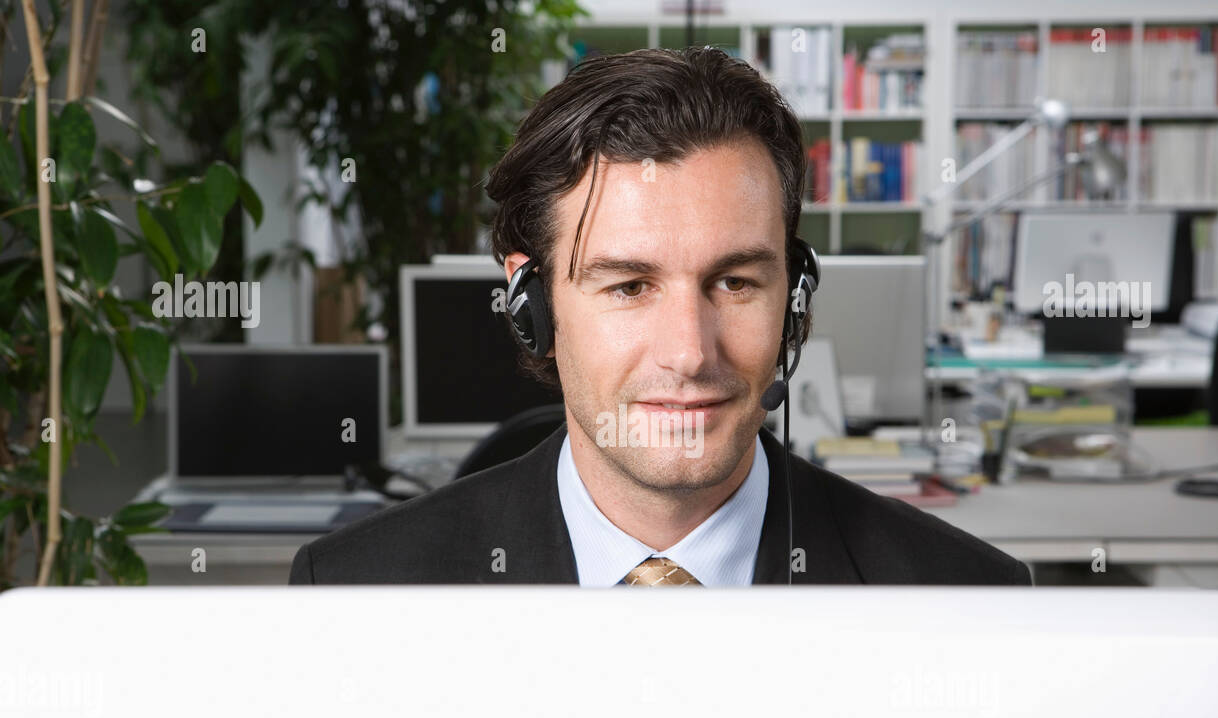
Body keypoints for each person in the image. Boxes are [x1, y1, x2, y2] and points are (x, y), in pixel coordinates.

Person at [290, 47, 1029, 587]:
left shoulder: (966, 597)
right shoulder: (359, 589)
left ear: (794, 300)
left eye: (735, 282)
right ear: (532, 304)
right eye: (629, 286)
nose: (688, 352)